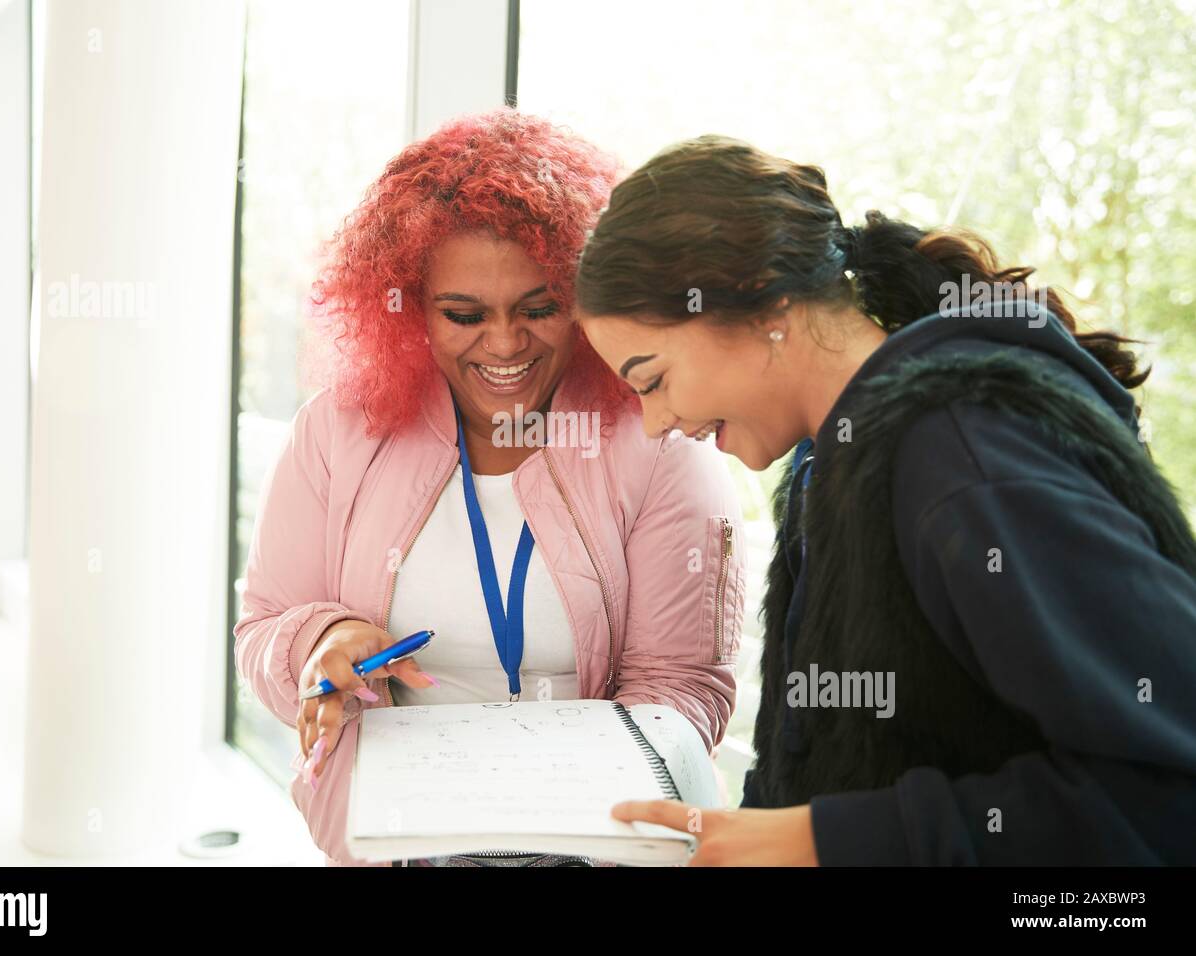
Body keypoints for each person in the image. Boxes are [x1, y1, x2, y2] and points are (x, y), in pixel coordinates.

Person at [576, 134, 1196, 865]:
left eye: (652, 379)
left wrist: (819, 841)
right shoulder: (830, 459)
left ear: (768, 303)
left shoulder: (962, 453)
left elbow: (1166, 791)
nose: (656, 423)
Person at [232, 112, 747, 867]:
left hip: (593, 845)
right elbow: (264, 628)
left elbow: (683, 690)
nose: (505, 344)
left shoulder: (658, 439)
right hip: (394, 841)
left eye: (539, 309)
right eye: (464, 315)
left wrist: (552, 804)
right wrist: (322, 643)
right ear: (405, 309)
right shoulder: (338, 432)